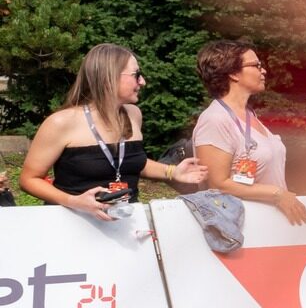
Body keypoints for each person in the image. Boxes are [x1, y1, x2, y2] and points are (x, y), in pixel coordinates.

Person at [18, 43, 207, 220]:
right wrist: (74, 202)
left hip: (124, 223)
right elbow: (29, 179)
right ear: (110, 77)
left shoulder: (134, 114)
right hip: (72, 225)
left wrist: (172, 172)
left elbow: (131, 162)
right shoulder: (61, 122)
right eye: (136, 74)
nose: (143, 81)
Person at [194, 40, 306, 225]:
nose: (263, 71)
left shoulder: (250, 115)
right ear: (233, 73)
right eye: (256, 65)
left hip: (271, 222)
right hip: (244, 227)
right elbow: (217, 185)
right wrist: (277, 193)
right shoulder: (214, 120)